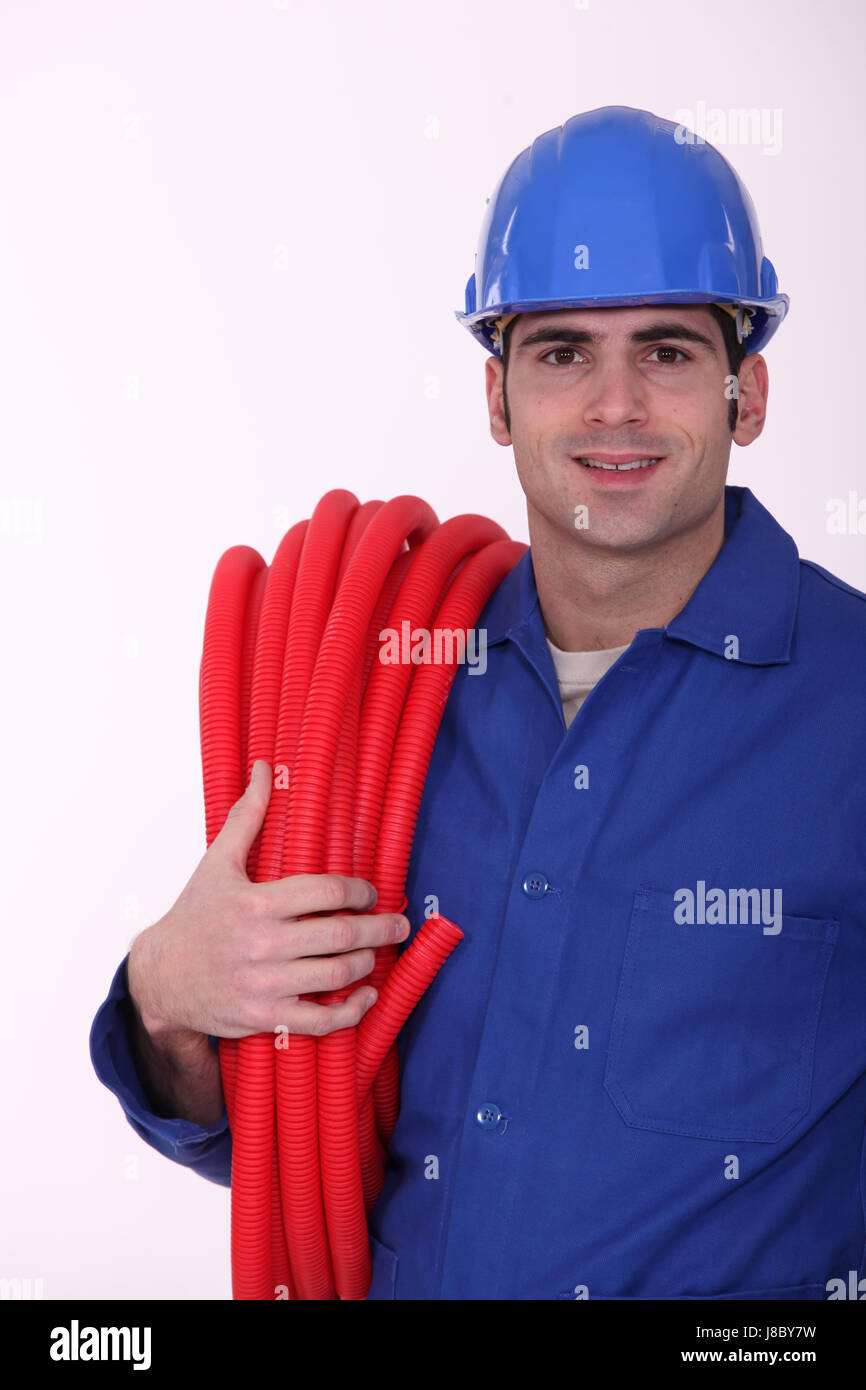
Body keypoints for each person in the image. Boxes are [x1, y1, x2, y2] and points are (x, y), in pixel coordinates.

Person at [90, 106, 866, 1301]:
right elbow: (293, 1134)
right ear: (498, 400)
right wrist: (169, 1001)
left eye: (664, 349)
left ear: (743, 394)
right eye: (560, 352)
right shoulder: (380, 695)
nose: (613, 405)